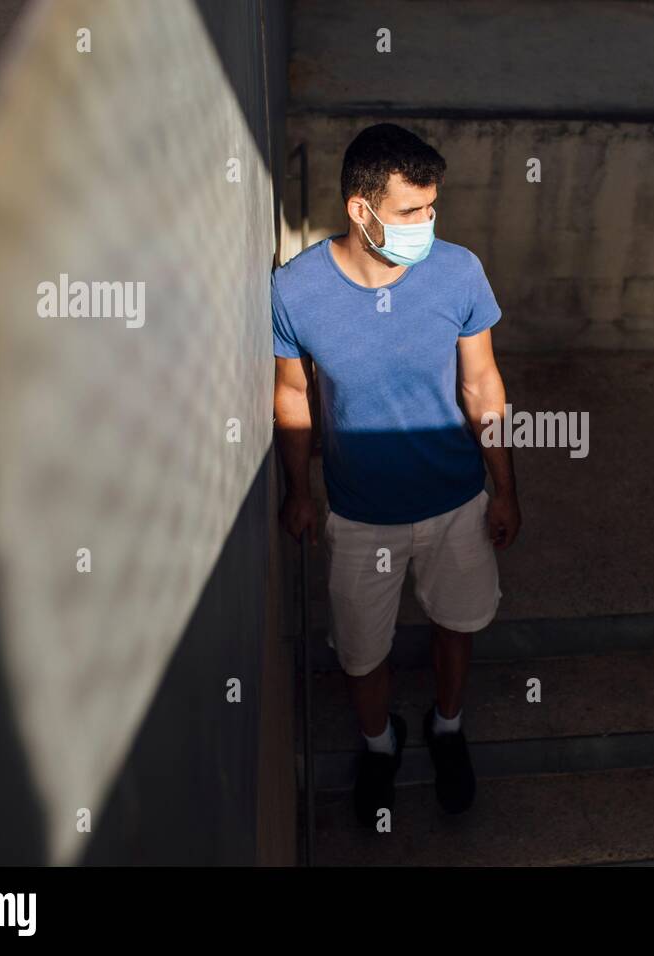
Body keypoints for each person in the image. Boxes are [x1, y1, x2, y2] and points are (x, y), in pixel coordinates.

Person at [271, 123, 520, 827]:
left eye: (432, 208)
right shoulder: (295, 292)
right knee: (360, 652)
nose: (426, 226)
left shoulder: (459, 272)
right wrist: (300, 491)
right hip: (358, 515)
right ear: (361, 209)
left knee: (457, 624)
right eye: (411, 212)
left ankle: (447, 727)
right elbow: (292, 396)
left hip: (455, 504)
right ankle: (380, 746)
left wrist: (504, 486)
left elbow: (482, 384)